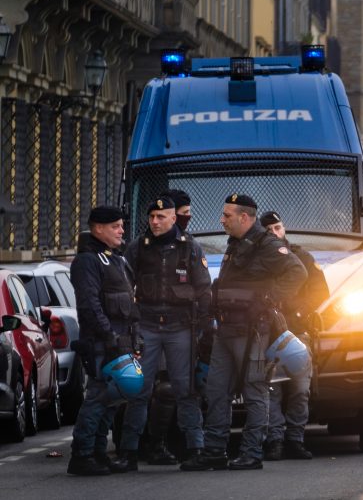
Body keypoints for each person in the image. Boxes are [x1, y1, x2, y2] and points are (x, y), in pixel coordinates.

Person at [181, 194, 306, 471]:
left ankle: (252, 452)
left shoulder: (268, 245)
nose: (222, 220)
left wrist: (268, 300)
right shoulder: (236, 244)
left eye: (227, 215)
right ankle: (214, 450)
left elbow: (298, 272)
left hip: (253, 331)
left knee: (254, 391)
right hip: (226, 329)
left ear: (245, 217)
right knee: (216, 391)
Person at [119, 197, 212, 470]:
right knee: (138, 389)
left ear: (174, 218)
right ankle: (129, 452)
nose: (155, 222)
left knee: (186, 390)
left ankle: (196, 449)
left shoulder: (190, 248)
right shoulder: (138, 248)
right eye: (152, 217)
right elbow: (125, 286)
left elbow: (203, 288)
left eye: (161, 217)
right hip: (146, 325)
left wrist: (205, 327)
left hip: (180, 326)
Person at [67, 206, 139, 476]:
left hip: (121, 341)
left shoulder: (116, 259)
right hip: (102, 343)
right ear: (98, 229)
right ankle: (82, 455)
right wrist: (109, 336)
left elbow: (130, 304)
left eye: (121, 225)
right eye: (115, 226)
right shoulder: (88, 261)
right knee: (97, 399)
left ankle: (98, 452)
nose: (122, 230)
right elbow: (89, 305)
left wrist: (134, 339)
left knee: (113, 400)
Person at [259, 211, 331, 461]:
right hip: (269, 335)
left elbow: (321, 291)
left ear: (284, 228)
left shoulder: (302, 257)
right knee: (272, 391)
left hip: (298, 333)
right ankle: (275, 441)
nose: (275, 233)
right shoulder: (258, 261)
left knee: (300, 389)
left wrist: (301, 312)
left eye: (278, 228)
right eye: (269, 230)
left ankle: (296, 439)